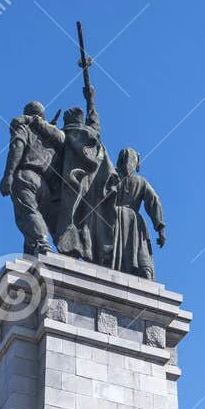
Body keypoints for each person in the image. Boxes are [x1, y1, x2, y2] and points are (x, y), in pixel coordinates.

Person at [55, 85, 117, 264]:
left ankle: (70, 248)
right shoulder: (92, 135)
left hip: (72, 184)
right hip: (94, 189)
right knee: (87, 222)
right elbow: (94, 120)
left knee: (70, 217)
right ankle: (88, 251)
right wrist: (91, 99)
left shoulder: (65, 135)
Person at [0, 102, 64, 255]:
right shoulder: (54, 137)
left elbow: (17, 147)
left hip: (25, 176)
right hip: (46, 186)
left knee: (27, 213)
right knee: (32, 218)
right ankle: (30, 253)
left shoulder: (24, 127)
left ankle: (42, 243)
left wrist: (8, 174)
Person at [111, 148, 165, 279]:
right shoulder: (141, 182)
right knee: (141, 251)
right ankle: (144, 270)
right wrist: (160, 228)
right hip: (133, 220)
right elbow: (154, 201)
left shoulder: (111, 177)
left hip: (112, 217)